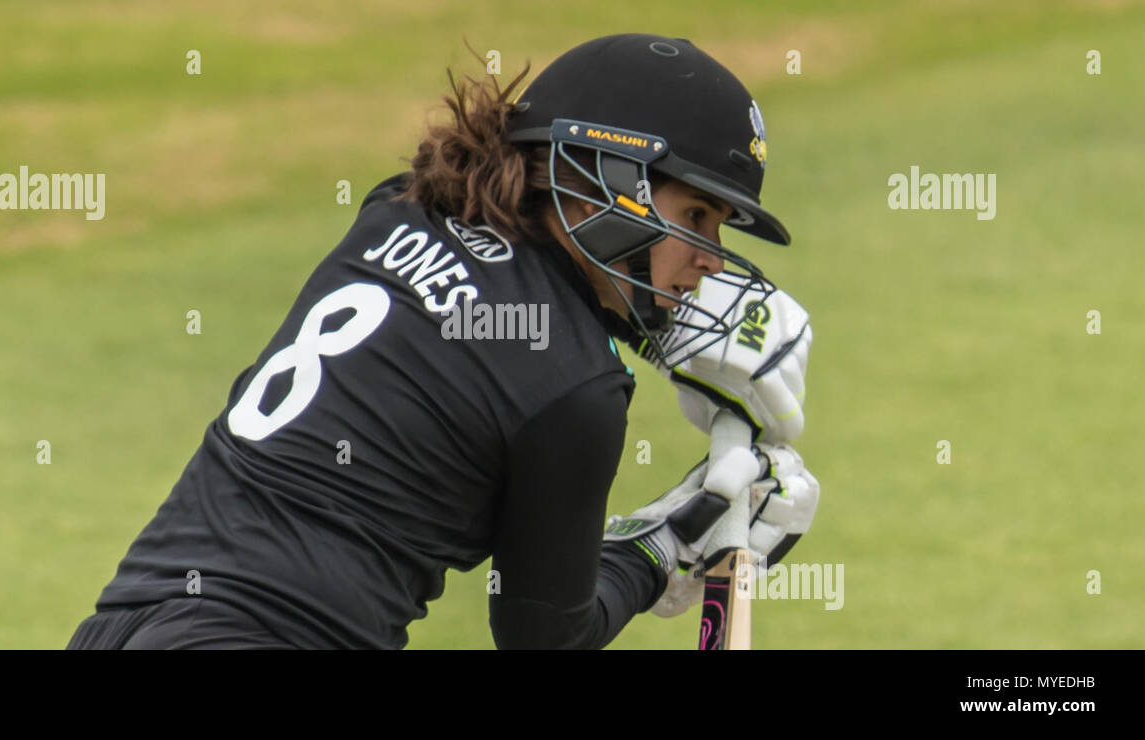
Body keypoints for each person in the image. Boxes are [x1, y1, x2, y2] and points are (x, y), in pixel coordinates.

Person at [67, 33, 817, 650]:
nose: (713, 259)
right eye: (696, 218)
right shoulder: (578, 394)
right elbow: (543, 636)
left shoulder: (396, 208)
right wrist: (664, 548)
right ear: (599, 180)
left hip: (120, 624)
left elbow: (481, 322)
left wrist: (651, 333)